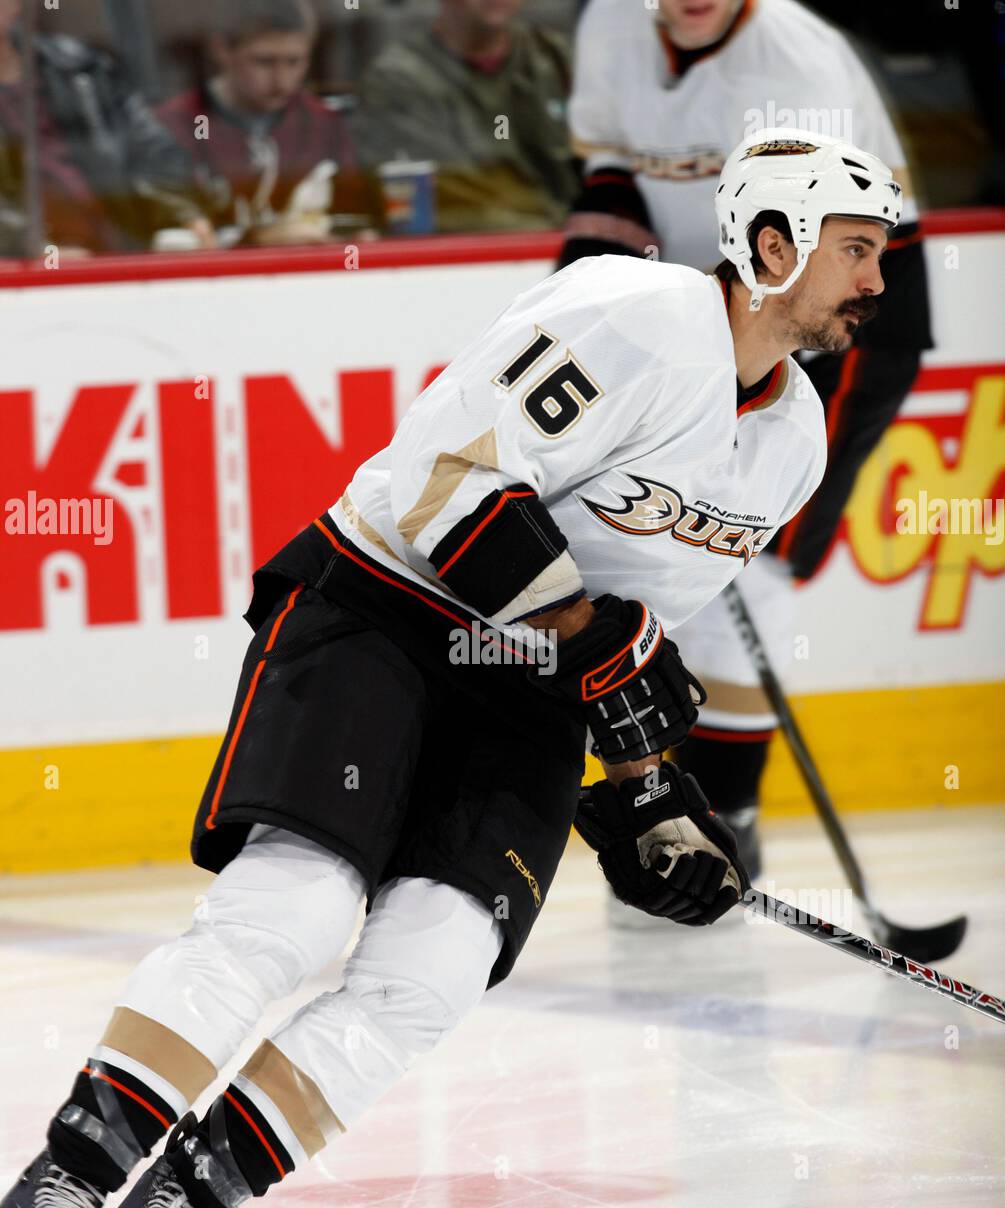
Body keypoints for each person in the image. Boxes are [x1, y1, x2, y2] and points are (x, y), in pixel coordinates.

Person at [0, 127, 900, 1208]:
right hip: (386, 608)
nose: (876, 281)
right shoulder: (638, 314)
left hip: (521, 682)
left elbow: (630, 639)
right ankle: (55, 1195)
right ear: (771, 242)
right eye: (856, 250)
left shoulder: (790, 442)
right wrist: (587, 637)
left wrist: (645, 799)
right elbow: (445, 483)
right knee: (297, 909)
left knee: (430, 972)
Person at [562, 0, 932, 880]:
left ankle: (724, 820)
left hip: (839, 321)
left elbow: (822, 269)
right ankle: (671, 812)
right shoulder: (607, 25)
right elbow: (609, 170)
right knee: (658, 557)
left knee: (747, 558)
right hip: (703, 318)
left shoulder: (794, 66)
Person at [157, 0, 377, 246]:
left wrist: (356, 237)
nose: (281, 80)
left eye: (294, 62)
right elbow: (168, 231)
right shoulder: (173, 128)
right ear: (222, 50)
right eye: (264, 61)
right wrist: (254, 240)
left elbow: (355, 217)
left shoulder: (325, 125)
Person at [0, 0, 209, 254]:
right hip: (23, 277)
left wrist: (183, 215)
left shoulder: (80, 67)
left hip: (121, 253)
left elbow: (151, 147)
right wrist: (33, 249)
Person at [355, 0, 577, 232]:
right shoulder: (399, 81)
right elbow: (448, 202)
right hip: (475, 257)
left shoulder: (555, 58)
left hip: (581, 254)